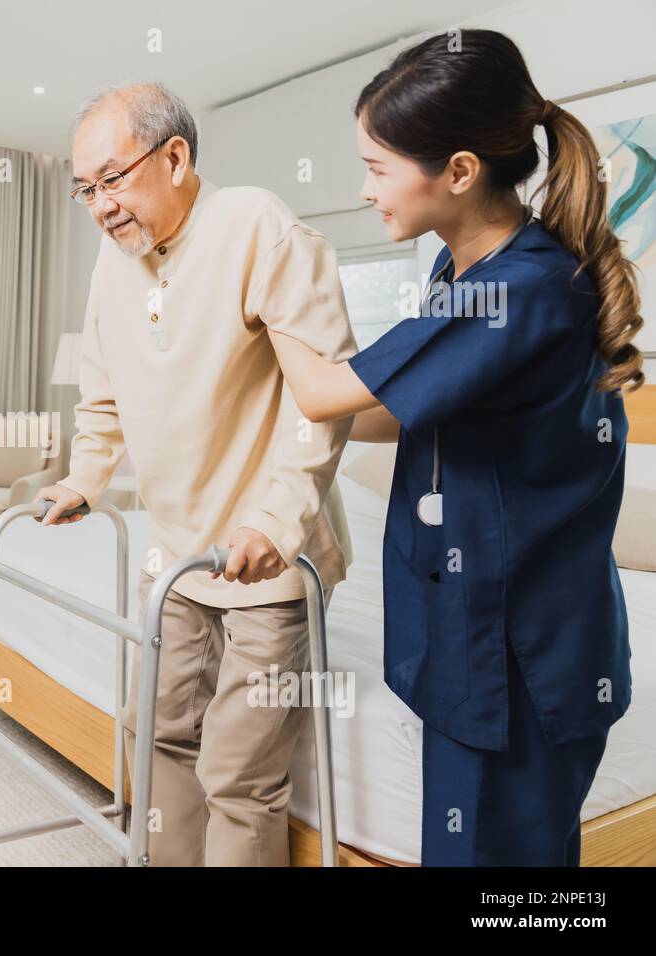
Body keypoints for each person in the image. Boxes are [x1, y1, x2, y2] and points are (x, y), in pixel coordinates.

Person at [266, 29, 644, 865]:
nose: (364, 191)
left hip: (521, 655)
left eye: (377, 167)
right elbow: (393, 413)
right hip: (472, 636)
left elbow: (326, 392)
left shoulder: (520, 290)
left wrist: (271, 285)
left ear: (461, 171)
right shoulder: (460, 272)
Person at [35, 82, 358, 865]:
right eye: (86, 190)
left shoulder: (259, 227)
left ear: (175, 156)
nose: (100, 205)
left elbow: (325, 401)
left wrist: (274, 526)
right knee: (155, 733)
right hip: (177, 554)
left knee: (238, 773)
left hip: (269, 558)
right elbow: (103, 395)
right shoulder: (115, 265)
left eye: (112, 179)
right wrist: (86, 478)